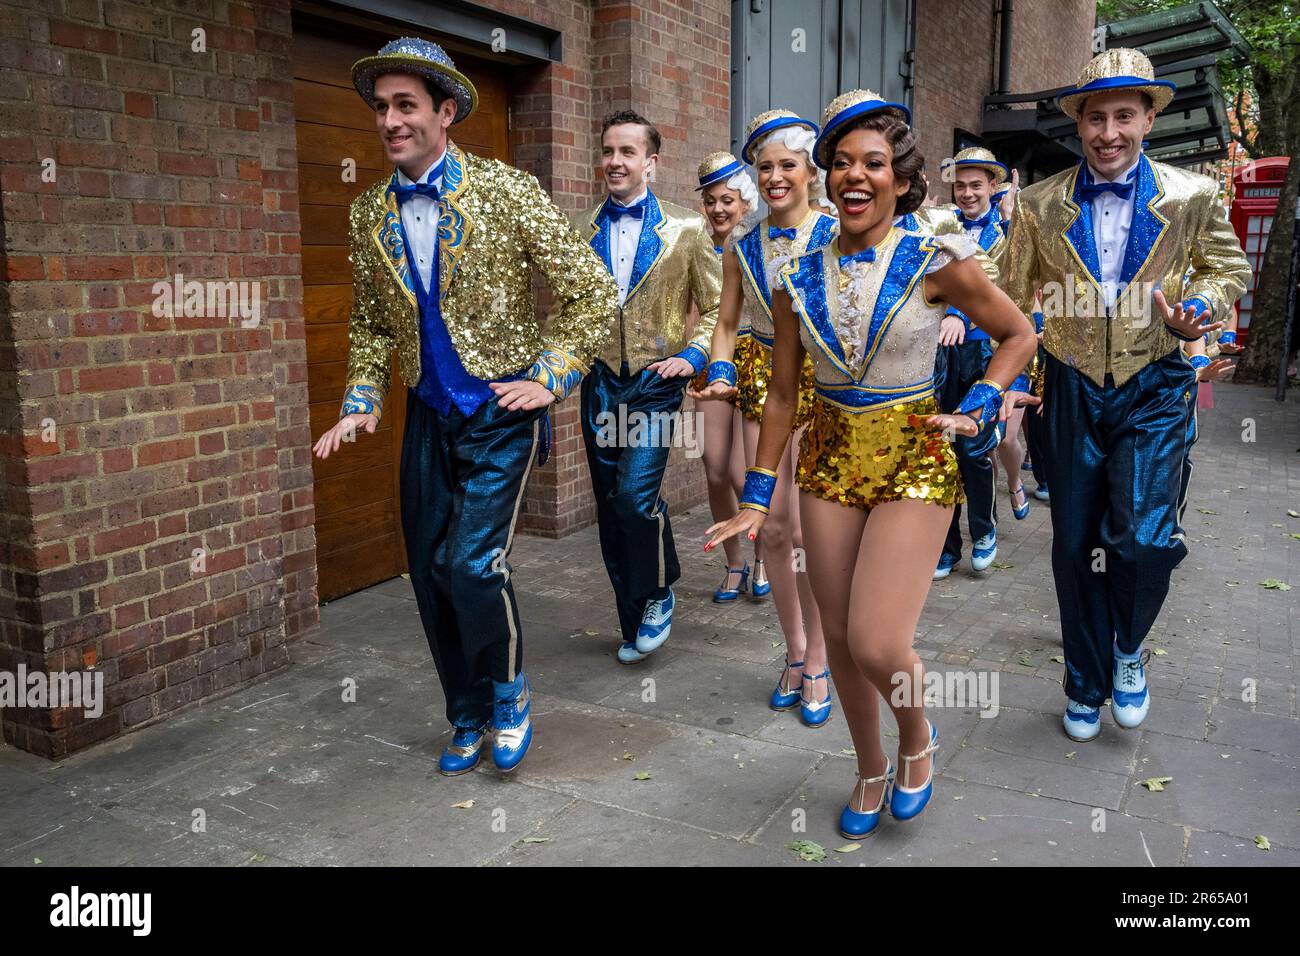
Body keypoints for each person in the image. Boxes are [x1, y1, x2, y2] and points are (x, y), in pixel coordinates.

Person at [706, 90, 1038, 836]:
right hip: (826, 462)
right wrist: (759, 494)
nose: (856, 176)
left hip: (914, 459)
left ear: (900, 177)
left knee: (877, 640)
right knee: (840, 632)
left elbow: (1018, 334)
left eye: (875, 164)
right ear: (828, 177)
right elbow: (785, 394)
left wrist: (982, 402)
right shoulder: (798, 274)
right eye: (843, 164)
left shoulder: (934, 259)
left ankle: (917, 739)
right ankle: (867, 764)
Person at [312, 39, 616, 775]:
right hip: (427, 415)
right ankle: (466, 711)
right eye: (381, 107)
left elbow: (592, 292)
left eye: (405, 105)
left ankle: (509, 691)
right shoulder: (365, 214)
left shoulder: (507, 190)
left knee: (473, 563)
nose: (389, 120)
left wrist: (551, 374)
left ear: (445, 112)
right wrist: (360, 399)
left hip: (500, 408)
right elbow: (370, 323)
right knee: (429, 568)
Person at [998, 49, 1251, 742]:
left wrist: (1198, 306)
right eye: (1096, 117)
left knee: (1142, 537)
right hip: (1071, 386)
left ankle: (1128, 647)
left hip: (1156, 383)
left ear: (1147, 119)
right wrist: (1010, 380)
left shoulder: (1191, 195)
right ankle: (1083, 681)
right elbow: (1012, 296)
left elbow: (1227, 267)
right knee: (1075, 544)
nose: (1110, 132)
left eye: (1124, 116)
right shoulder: (1035, 204)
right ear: (1079, 124)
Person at [698, 110, 838, 725]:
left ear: (811, 171)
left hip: (828, 389)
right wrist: (721, 369)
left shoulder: (839, 234)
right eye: (766, 167)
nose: (777, 176)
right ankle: (794, 648)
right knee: (775, 528)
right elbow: (726, 323)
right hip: (763, 385)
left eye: (788, 164)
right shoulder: (740, 247)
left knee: (813, 534)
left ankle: (822, 659)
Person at [575, 111, 723, 664]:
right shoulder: (580, 228)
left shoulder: (687, 229)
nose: (615, 161)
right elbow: (572, 310)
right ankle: (632, 617)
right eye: (608, 150)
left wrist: (692, 354)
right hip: (599, 382)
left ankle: (660, 589)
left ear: (650, 163)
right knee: (610, 508)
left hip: (656, 382)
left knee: (636, 500)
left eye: (627, 152)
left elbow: (714, 309)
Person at [933, 148, 1018, 579]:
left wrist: (957, 314)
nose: (967, 193)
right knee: (940, 448)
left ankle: (984, 530)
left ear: (992, 187)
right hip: (941, 353)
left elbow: (988, 287)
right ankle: (945, 547)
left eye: (975, 185)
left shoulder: (1003, 237)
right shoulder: (940, 225)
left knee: (973, 447)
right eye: (961, 185)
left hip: (983, 353)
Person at [688, 151, 763, 603]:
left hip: (757, 363)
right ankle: (733, 561)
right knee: (715, 469)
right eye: (712, 201)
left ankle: (764, 558)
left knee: (744, 471)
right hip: (708, 364)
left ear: (746, 204)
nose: (719, 209)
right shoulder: (691, 242)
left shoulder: (760, 243)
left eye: (728, 201)